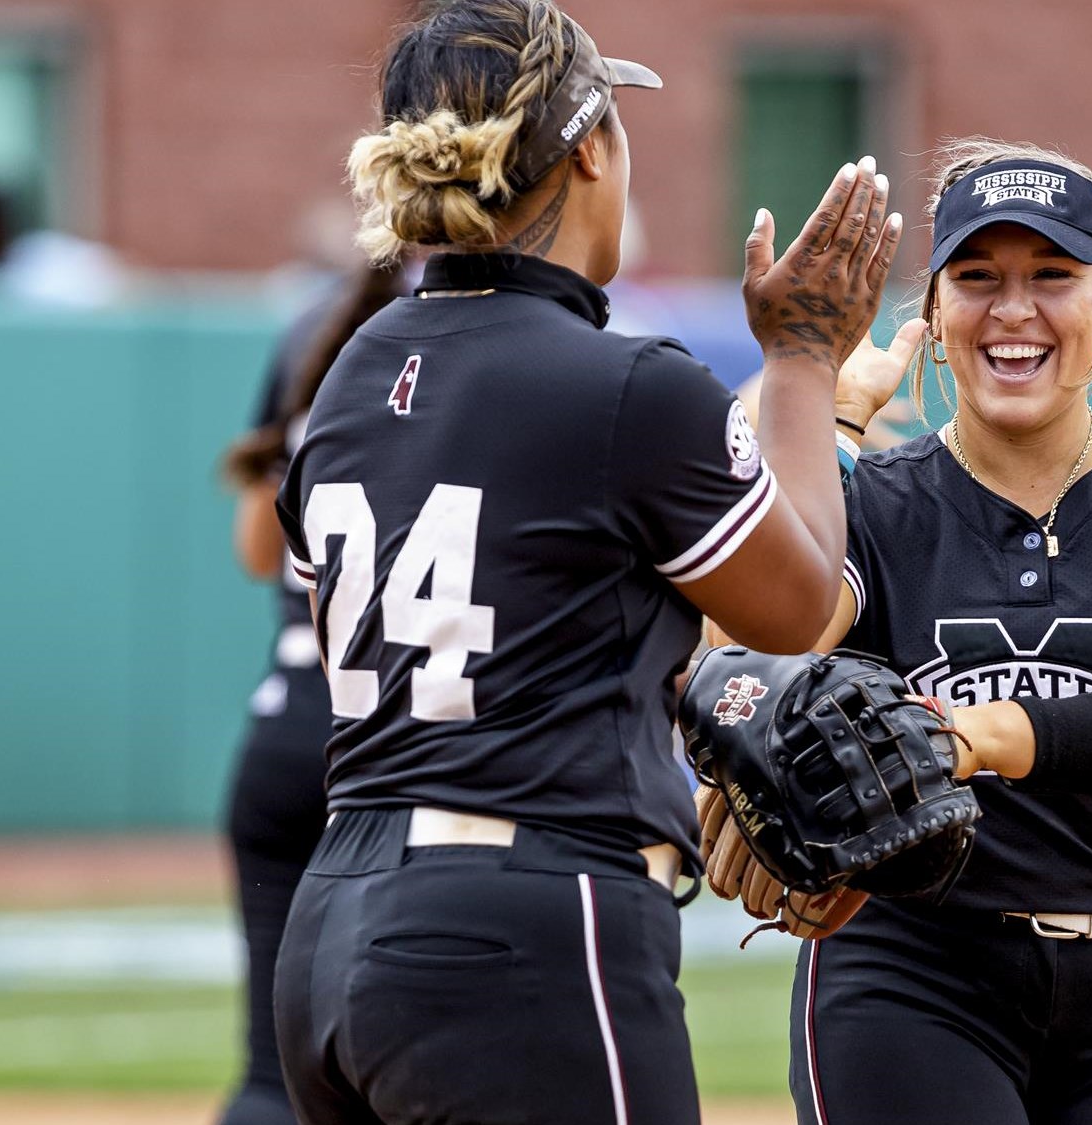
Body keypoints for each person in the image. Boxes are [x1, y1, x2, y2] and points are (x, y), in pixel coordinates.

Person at [270, 2, 904, 1123]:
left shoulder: (352, 375)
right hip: (524, 926)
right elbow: (798, 611)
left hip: (332, 924)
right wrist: (804, 360)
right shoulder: (624, 385)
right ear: (592, 150)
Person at [765, 137, 1092, 1125]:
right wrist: (830, 427)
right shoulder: (875, 499)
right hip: (912, 964)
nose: (1012, 310)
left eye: (1052, 275)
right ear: (936, 314)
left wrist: (969, 737)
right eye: (976, 277)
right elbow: (778, 639)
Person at [215, 260, 409, 1125]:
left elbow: (259, 547)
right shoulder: (477, 341)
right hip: (392, 744)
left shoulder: (315, 333)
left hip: (282, 725)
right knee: (393, 1079)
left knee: (272, 1075)